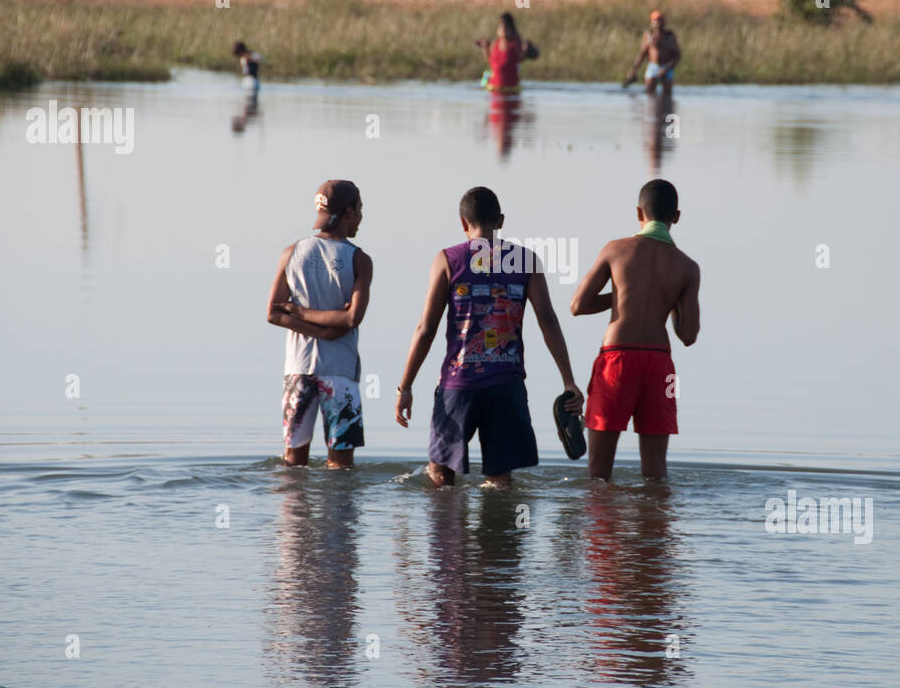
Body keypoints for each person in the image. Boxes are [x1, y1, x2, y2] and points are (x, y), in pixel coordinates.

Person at [395, 187, 583, 488]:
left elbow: (425, 329)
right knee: (500, 480)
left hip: (458, 386)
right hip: (506, 387)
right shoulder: (526, 260)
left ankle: (449, 530)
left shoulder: (447, 260)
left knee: (440, 474)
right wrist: (568, 381)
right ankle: (499, 533)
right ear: (501, 220)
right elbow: (548, 320)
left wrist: (405, 386)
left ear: (462, 222)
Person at [570, 180, 701, 482]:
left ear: (639, 212)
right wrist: (668, 300)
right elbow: (689, 335)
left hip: (616, 359)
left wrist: (620, 294)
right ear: (676, 217)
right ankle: (654, 527)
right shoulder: (688, 267)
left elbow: (578, 305)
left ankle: (604, 529)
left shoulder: (615, 250)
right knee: (656, 473)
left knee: (599, 474)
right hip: (660, 366)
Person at [265, 180, 373, 469]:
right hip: (339, 373)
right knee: (341, 466)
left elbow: (274, 313)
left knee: (293, 464)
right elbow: (351, 319)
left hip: (297, 371)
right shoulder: (359, 260)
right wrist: (328, 330)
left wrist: (299, 311)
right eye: (360, 210)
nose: (361, 217)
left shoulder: (292, 252)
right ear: (349, 212)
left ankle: (294, 514)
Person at [623, 11, 681, 95]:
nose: (657, 23)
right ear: (651, 22)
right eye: (655, 20)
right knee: (649, 93)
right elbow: (642, 54)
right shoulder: (648, 35)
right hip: (653, 67)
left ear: (664, 22)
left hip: (666, 67)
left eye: (659, 20)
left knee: (667, 95)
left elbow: (677, 55)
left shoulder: (669, 36)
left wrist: (666, 68)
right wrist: (633, 70)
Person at [476, 14, 530, 93]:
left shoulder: (514, 45)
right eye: (501, 27)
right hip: (493, 86)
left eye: (506, 28)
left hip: (510, 87)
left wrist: (525, 50)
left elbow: (521, 58)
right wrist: (485, 47)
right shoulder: (495, 44)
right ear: (497, 30)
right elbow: (490, 59)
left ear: (510, 30)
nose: (503, 29)